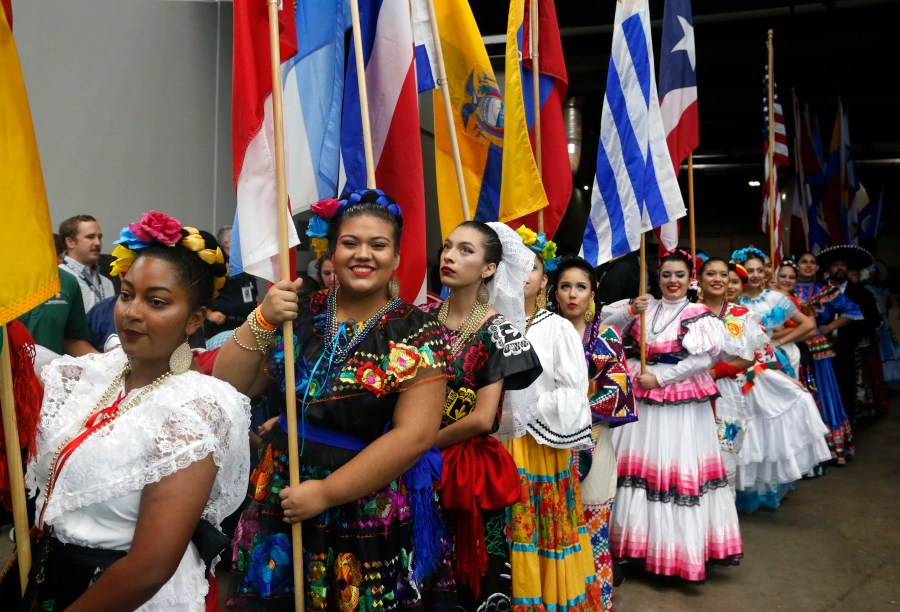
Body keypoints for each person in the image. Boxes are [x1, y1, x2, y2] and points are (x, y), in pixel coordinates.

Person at [215, 189, 454, 609]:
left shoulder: (418, 330)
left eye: (378, 245)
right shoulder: (300, 310)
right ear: (331, 250)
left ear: (396, 257)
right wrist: (263, 318)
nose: (363, 254)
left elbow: (414, 436)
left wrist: (325, 493)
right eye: (350, 243)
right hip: (281, 488)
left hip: (362, 498)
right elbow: (232, 384)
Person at [16, 211, 248, 610]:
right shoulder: (93, 373)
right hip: (51, 575)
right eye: (126, 294)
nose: (132, 312)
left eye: (156, 301)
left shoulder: (196, 409)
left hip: (124, 595)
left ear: (194, 319)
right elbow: (24, 359)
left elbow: (151, 566)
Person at [601, 248, 742, 582]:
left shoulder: (698, 313)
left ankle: (675, 553)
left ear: (690, 278)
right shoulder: (643, 305)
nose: (673, 281)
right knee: (637, 468)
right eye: (666, 275)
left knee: (675, 469)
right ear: (657, 278)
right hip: (640, 397)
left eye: (679, 275)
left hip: (679, 401)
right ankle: (634, 548)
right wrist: (630, 311)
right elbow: (605, 324)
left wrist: (661, 378)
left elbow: (704, 359)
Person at [422, 220, 541, 610]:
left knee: (468, 578)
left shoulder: (499, 332)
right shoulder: (422, 319)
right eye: (447, 247)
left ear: (489, 268)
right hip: (416, 463)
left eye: (466, 250)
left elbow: (483, 417)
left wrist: (416, 444)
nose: (450, 256)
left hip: (462, 470)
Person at [500, 229, 599, 611]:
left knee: (538, 526)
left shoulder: (556, 329)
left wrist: (523, 409)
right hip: (490, 440)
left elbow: (573, 393)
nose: (523, 274)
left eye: (533, 268)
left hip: (538, 445)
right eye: (515, 266)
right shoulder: (489, 324)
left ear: (544, 280)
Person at [704, 256, 830, 509]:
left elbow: (760, 357)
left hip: (735, 386)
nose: (725, 283)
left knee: (736, 442)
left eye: (730, 280)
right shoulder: (694, 312)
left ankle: (727, 506)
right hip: (696, 387)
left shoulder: (745, 316)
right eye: (713, 275)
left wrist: (785, 378)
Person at [554, 254, 636, 609]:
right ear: (553, 293)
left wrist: (576, 410)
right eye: (565, 286)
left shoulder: (607, 335)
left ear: (592, 295)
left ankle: (595, 602)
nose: (573, 294)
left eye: (581, 287)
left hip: (594, 439)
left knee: (592, 526)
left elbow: (618, 389)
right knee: (555, 526)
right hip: (548, 443)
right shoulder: (541, 332)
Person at [793, 250, 859, 464]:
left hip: (817, 348)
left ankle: (830, 447)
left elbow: (853, 310)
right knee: (799, 390)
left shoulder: (825, 290)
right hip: (792, 345)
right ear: (796, 265)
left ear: (818, 268)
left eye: (813, 262)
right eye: (804, 262)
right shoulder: (787, 288)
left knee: (821, 390)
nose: (809, 265)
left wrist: (829, 326)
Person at [813, 245, 880, 424]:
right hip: (817, 350)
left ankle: (846, 430)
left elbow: (873, 320)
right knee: (819, 389)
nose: (840, 268)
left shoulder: (862, 294)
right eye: (835, 265)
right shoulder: (816, 291)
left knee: (846, 389)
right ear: (828, 268)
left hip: (847, 349)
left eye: (843, 264)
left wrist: (851, 337)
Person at [203, 226, 259, 340]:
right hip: (222, 325)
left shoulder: (245, 265)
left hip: (246, 325)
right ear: (227, 243)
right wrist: (209, 315)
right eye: (238, 239)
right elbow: (199, 293)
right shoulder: (217, 265)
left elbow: (255, 296)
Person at [58, 214, 116, 313]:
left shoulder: (107, 283)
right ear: (70, 242)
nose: (98, 243)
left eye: (99, 237)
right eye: (90, 237)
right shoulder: (58, 278)